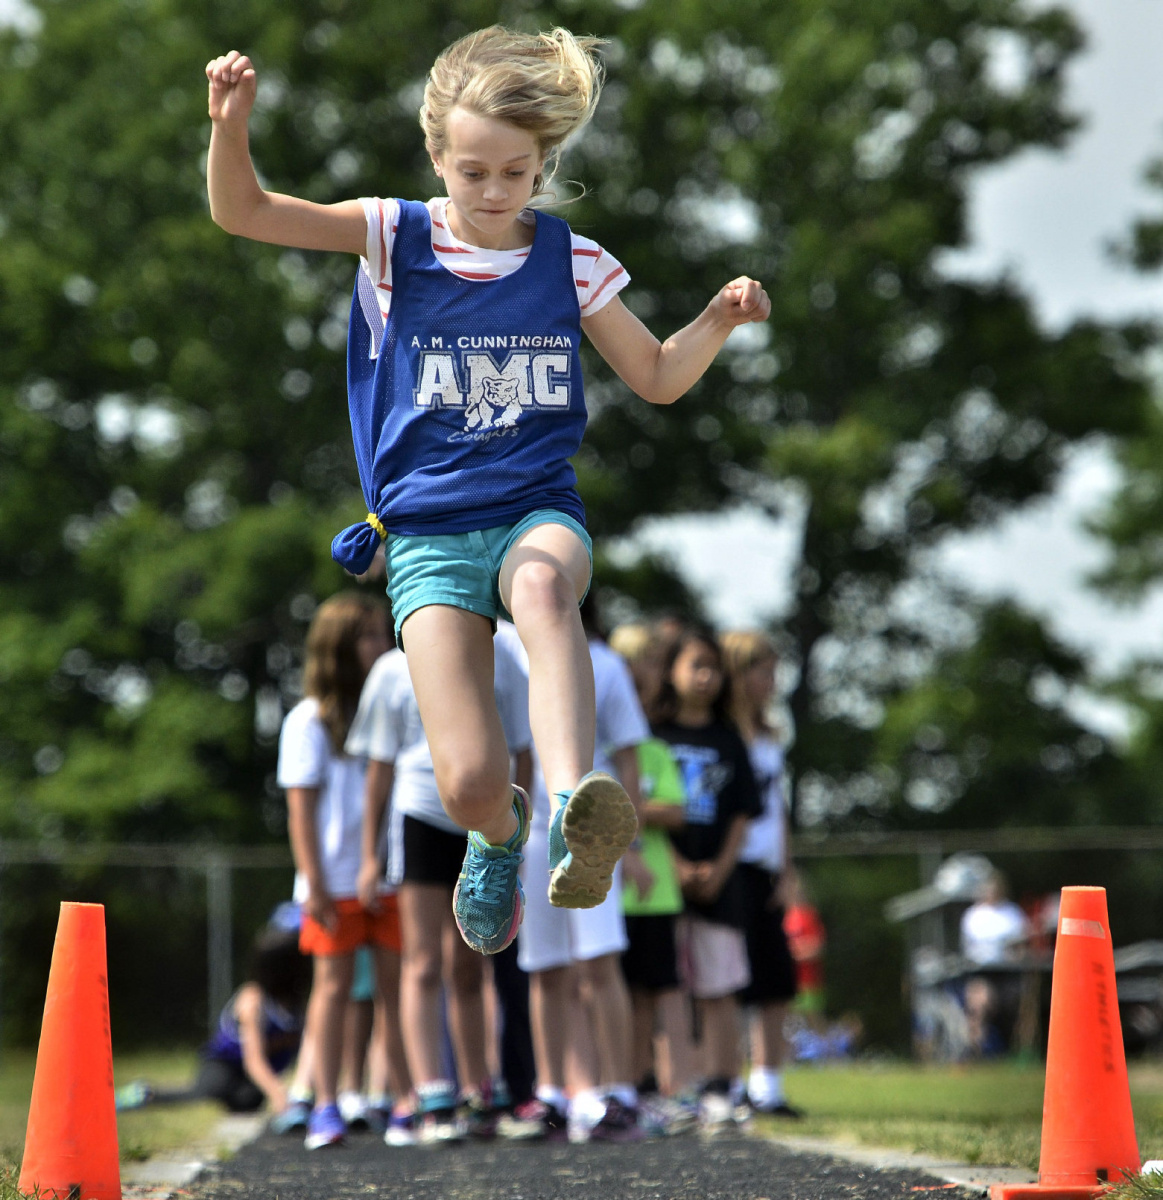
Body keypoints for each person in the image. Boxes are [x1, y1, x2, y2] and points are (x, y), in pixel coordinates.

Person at [204, 27, 771, 958]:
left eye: (516, 173)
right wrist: (230, 128)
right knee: (463, 780)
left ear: (543, 163)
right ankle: (498, 831)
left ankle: (570, 806)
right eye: (473, 173)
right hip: (426, 531)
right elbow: (246, 212)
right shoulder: (395, 236)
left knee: (546, 592)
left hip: (534, 509)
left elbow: (660, 377)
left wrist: (715, 318)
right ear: (438, 157)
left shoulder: (570, 261)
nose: (495, 192)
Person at [348, 629, 534, 1144]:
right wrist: (369, 857)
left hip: (486, 821)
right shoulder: (392, 668)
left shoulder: (504, 657)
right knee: (423, 960)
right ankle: (431, 1094)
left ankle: (478, 1089)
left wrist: (515, 839)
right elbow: (378, 769)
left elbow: (522, 752)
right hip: (420, 815)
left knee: (471, 962)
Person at [496, 605, 648, 1143]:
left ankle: (620, 1091)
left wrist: (631, 844)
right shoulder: (504, 649)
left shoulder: (603, 661)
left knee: (599, 963)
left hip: (589, 831)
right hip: (533, 830)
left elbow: (629, 754)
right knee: (545, 968)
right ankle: (556, 1094)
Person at [277, 593, 411, 1149]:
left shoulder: (394, 707)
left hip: (390, 878)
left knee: (395, 992)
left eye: (384, 634)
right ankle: (325, 1104)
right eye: (369, 636)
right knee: (331, 992)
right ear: (338, 648)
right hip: (332, 883)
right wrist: (312, 882)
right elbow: (300, 809)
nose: (382, 646)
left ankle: (404, 1100)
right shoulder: (307, 720)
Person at [651, 626, 762, 1129]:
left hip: (720, 879)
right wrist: (675, 867)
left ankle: (723, 1084)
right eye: (695, 665)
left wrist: (717, 869)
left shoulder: (728, 739)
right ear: (670, 670)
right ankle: (678, 1087)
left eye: (713, 668)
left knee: (719, 985)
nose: (705, 676)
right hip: (662, 877)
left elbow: (742, 813)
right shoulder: (654, 734)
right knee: (670, 986)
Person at [606, 622, 696, 1126]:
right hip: (610, 892)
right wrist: (636, 807)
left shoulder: (653, 749)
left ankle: (669, 1086)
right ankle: (629, 1082)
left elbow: (676, 808)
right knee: (620, 992)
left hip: (655, 892)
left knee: (661, 992)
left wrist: (627, 807)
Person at [720, 630, 801, 1119]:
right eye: (762, 670)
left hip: (766, 868)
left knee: (776, 978)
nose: (771, 681)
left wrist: (788, 869)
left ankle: (768, 1083)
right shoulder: (724, 737)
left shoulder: (771, 736)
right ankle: (728, 1082)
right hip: (732, 868)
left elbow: (779, 809)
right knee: (730, 979)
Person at [115, 923, 309, 1116]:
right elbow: (254, 1061)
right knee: (204, 1096)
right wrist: (278, 1094)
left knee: (248, 1100)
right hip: (223, 1064)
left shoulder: (296, 1005)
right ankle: (144, 1094)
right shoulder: (253, 1001)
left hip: (247, 1078)